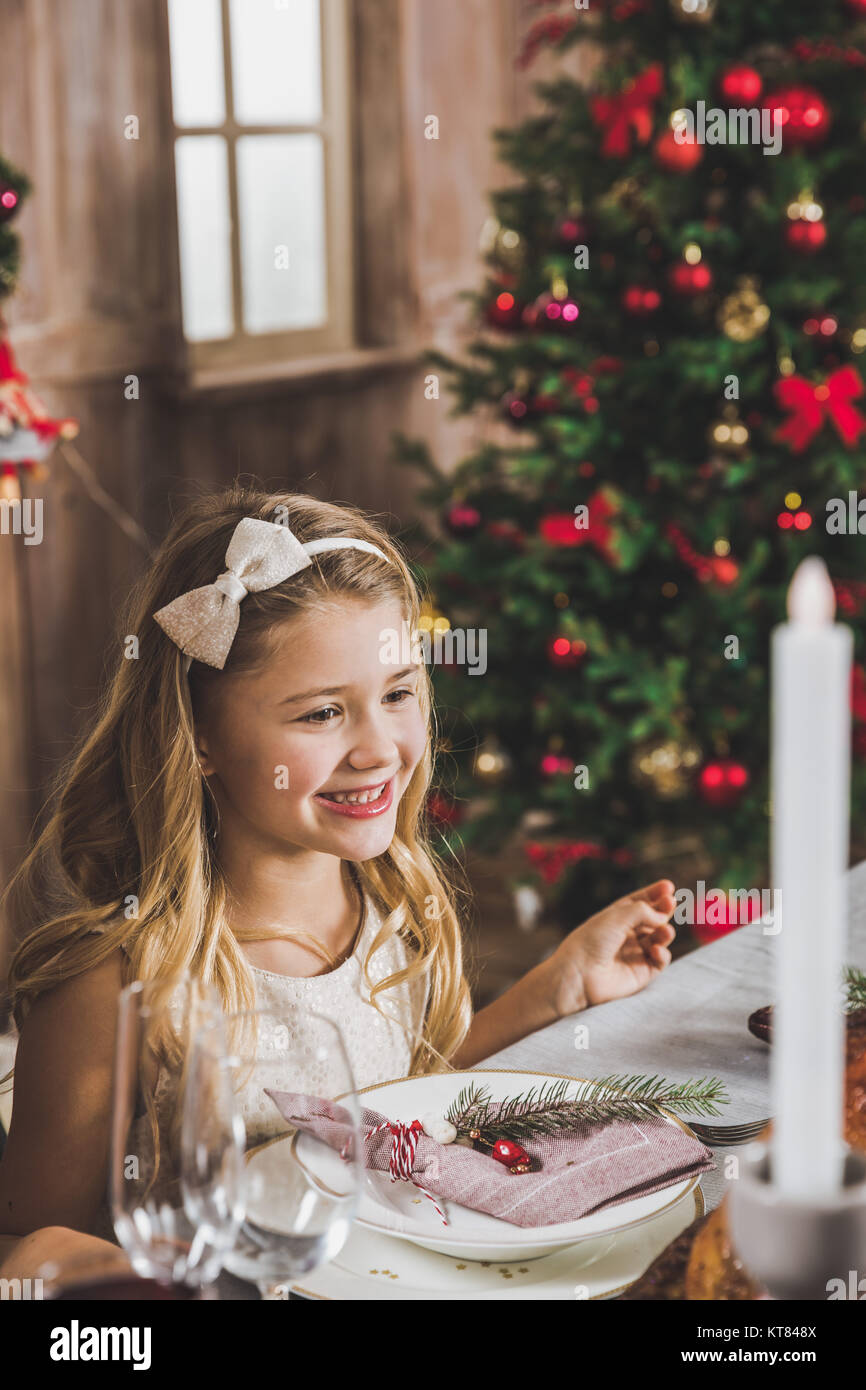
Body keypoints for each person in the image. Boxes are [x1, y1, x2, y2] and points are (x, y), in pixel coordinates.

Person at [0, 483, 676, 1282]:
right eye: (322, 714)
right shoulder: (113, 985)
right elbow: (24, 1255)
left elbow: (392, 1115)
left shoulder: (395, 908)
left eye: (396, 695)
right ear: (201, 735)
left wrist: (555, 987)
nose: (378, 748)